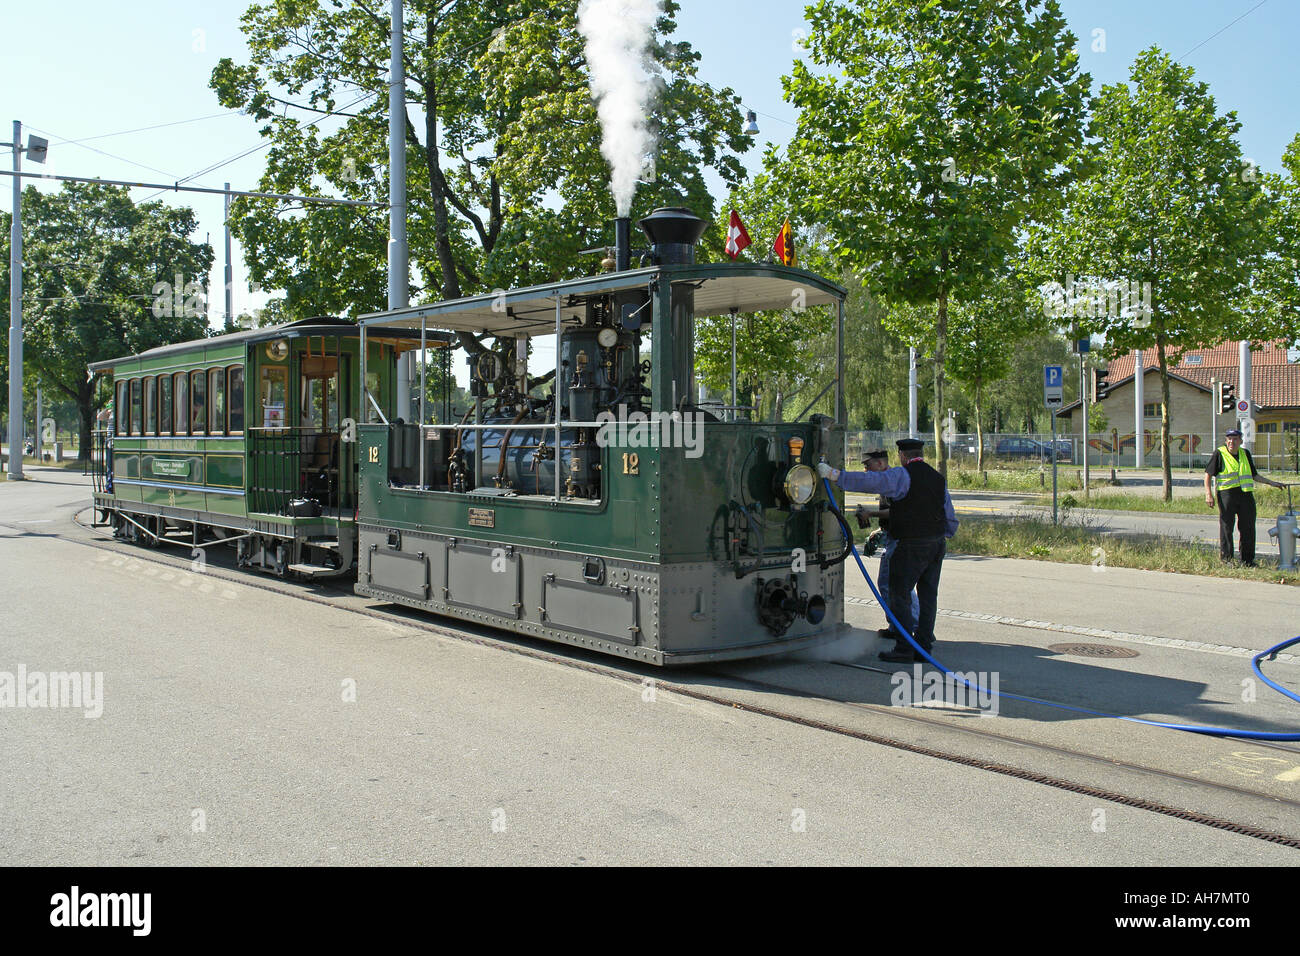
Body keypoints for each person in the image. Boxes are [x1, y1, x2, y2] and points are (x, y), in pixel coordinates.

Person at [819, 438, 958, 663]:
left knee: (899, 594)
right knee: (928, 594)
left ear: (902, 456)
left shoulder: (903, 475)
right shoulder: (937, 477)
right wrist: (944, 535)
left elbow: (871, 481)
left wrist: (834, 475)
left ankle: (904, 647)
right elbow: (949, 514)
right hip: (936, 543)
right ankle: (923, 647)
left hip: (911, 544)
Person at [855, 448, 919, 638]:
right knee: (896, 584)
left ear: (881, 464)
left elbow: (898, 512)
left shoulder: (892, 482)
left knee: (890, 583)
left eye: (868, 466)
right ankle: (901, 626)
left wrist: (870, 514)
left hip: (900, 540)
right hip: (894, 536)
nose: (866, 471)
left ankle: (906, 627)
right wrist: (880, 531)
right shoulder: (888, 482)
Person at [1204, 428, 1287, 567]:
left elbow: (1254, 475)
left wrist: (1272, 483)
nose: (1232, 441)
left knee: (1248, 528)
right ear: (1226, 441)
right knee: (1226, 528)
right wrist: (1208, 494)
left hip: (1245, 495)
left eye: (1235, 439)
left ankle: (1247, 560)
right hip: (1227, 495)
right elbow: (1208, 474)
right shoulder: (1220, 453)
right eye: (1229, 439)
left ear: (1241, 441)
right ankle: (1227, 559)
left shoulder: (1245, 454)